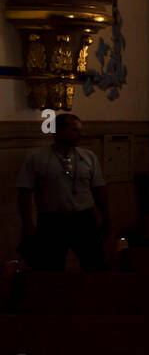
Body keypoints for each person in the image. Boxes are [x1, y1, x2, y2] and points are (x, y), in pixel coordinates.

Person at [15, 113, 109, 271]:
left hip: (84, 219)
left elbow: (99, 189)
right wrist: (28, 224)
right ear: (58, 131)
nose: (79, 134)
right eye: (74, 130)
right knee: (50, 268)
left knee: (94, 264)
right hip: (52, 221)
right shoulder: (37, 158)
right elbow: (25, 192)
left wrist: (106, 216)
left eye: (79, 130)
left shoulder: (88, 157)